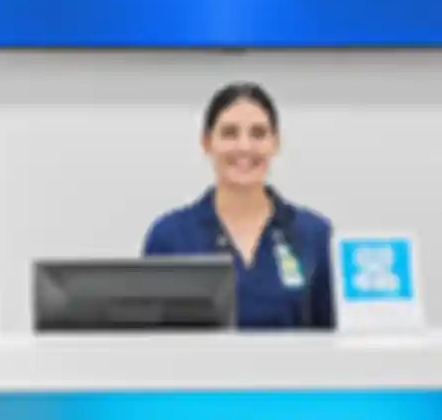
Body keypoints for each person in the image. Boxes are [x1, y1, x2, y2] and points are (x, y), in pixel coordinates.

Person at [143, 83, 335, 330]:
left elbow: (333, 337)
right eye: (230, 133)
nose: (244, 147)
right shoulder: (170, 237)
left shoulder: (314, 234)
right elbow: (152, 347)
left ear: (275, 143)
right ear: (206, 142)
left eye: (258, 134)